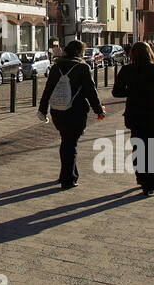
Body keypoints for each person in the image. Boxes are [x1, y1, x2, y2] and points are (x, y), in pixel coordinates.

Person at [37, 40, 105, 189]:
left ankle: (65, 175)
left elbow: (48, 90)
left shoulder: (56, 67)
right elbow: (90, 91)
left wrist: (42, 109)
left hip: (58, 111)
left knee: (66, 141)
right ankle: (68, 179)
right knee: (70, 144)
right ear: (80, 52)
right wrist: (98, 110)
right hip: (76, 111)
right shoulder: (82, 68)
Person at [112, 41, 154, 196]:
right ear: (150, 53)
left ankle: (142, 179)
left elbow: (116, 92)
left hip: (135, 114)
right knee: (153, 149)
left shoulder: (127, 70)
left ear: (132, 54)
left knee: (138, 148)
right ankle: (152, 184)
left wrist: (132, 91)